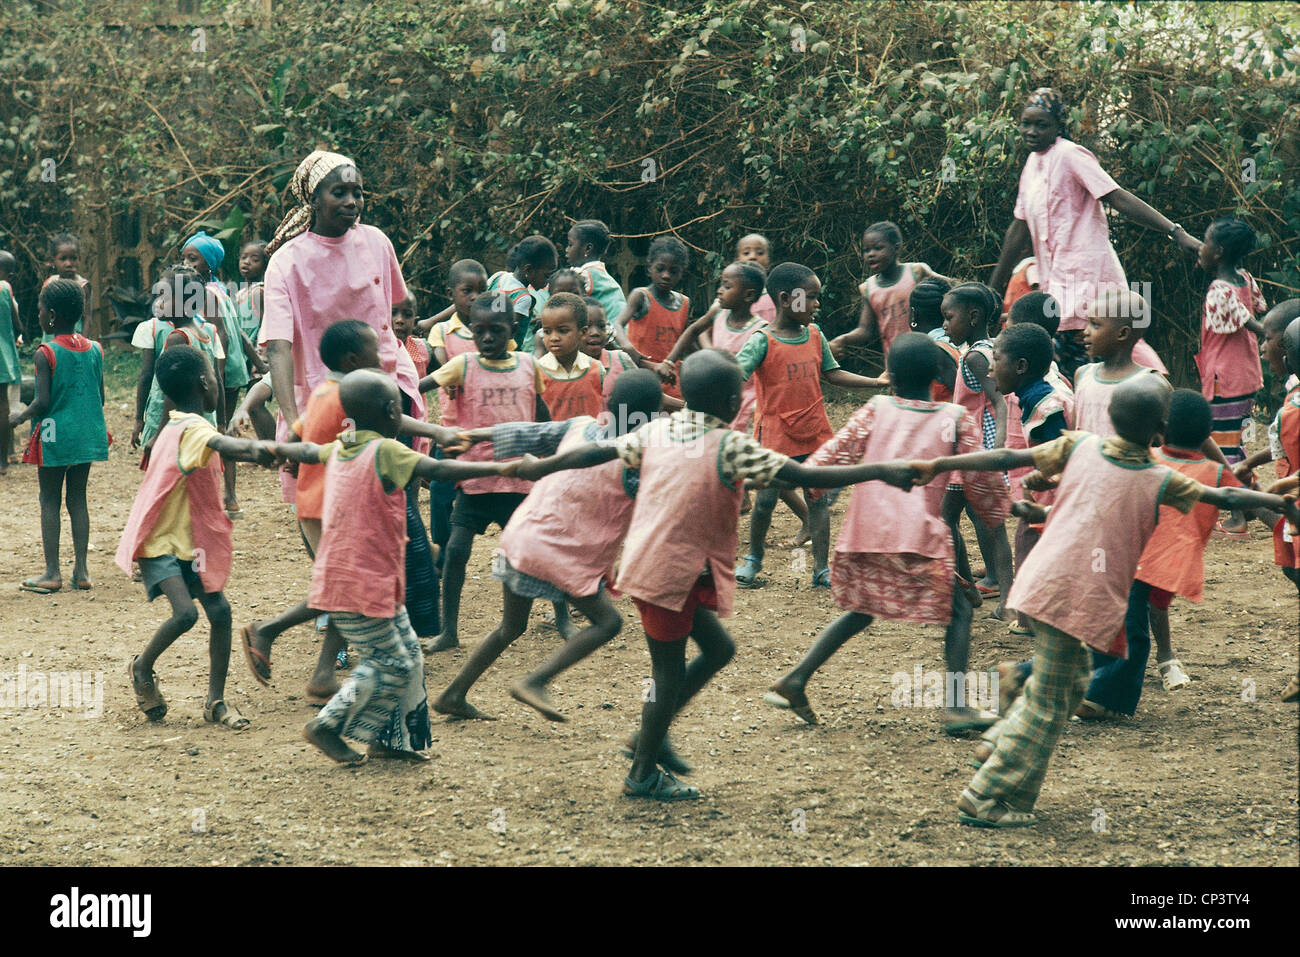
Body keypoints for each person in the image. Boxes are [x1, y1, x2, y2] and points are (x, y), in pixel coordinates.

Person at [511, 349, 917, 799]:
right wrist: (881, 470)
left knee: (719, 649)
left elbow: (596, 451)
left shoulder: (659, 430)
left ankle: (653, 735)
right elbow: (799, 472)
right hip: (669, 576)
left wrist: (543, 465)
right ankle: (642, 772)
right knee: (665, 675)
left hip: (664, 569)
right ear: (730, 402)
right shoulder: (730, 445)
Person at [909, 375, 1300, 827]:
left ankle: (999, 745)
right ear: (1159, 429)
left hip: (1043, 583)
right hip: (1078, 597)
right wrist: (1282, 498)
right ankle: (985, 795)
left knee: (1072, 680)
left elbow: (1008, 456)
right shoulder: (1160, 478)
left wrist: (940, 463)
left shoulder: (1081, 445)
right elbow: (1226, 495)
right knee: (1049, 704)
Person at [764, 334, 1009, 733]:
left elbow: (827, 460)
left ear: (890, 375)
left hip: (865, 532)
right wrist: (997, 512)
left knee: (862, 610)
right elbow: (980, 479)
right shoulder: (953, 418)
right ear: (937, 374)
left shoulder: (876, 409)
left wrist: (819, 491)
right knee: (960, 610)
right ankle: (957, 706)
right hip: (917, 536)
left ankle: (796, 679)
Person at [272, 370, 518, 764]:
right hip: (361, 584)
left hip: (365, 579)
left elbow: (307, 452)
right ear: (391, 411)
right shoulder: (385, 450)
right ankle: (327, 725)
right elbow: (437, 470)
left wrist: (273, 448)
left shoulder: (342, 446)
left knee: (410, 658)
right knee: (393, 661)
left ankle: (391, 741)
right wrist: (499, 469)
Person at [238, 320, 460, 700]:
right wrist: (436, 432)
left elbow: (300, 431)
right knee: (342, 589)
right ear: (355, 358)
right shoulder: (348, 396)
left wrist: (292, 458)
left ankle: (324, 675)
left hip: (328, 501)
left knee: (346, 587)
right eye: (377, 348)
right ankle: (269, 630)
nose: (383, 353)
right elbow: (387, 419)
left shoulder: (327, 391)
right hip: (329, 505)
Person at [431, 370, 664, 722]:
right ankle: (537, 681)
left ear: (606, 403)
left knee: (511, 627)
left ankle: (453, 693)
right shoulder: (638, 464)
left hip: (522, 535)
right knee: (608, 623)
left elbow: (527, 432)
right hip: (558, 552)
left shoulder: (579, 427)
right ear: (653, 419)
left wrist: (472, 435)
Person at [988, 87, 1201, 382]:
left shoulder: (1070, 155)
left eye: (1041, 124)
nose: (1032, 131)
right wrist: (993, 288)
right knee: (1065, 381)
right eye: (1026, 123)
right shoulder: (1032, 165)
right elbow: (1019, 228)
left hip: (1089, 285)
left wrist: (1176, 232)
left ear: (1058, 126)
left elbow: (1117, 197)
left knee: (1097, 376)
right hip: (1057, 293)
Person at [117, 345, 280, 730]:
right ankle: (142, 667)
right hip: (161, 545)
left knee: (220, 612)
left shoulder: (176, 425)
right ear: (205, 383)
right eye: (215, 378)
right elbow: (226, 446)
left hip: (191, 541)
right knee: (187, 614)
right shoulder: (192, 429)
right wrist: (270, 449)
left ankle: (215, 701)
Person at [260, 150, 427, 509]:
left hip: (386, 390)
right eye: (339, 192)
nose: (352, 201)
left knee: (393, 497)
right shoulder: (285, 262)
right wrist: (294, 423)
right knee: (324, 502)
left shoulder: (377, 243)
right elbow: (278, 347)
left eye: (358, 192)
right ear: (314, 199)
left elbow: (397, 302)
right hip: (322, 400)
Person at [1077, 391, 1244, 717]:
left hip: (1129, 557)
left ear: (1161, 429)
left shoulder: (1147, 458)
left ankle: (1100, 695)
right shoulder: (1215, 473)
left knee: (1127, 631)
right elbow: (1241, 501)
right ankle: (1104, 696)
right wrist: (1282, 515)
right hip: (1166, 565)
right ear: (1206, 435)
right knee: (1133, 632)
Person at [735, 262, 887, 589]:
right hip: (775, 436)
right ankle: (754, 558)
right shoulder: (762, 341)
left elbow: (832, 374)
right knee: (765, 501)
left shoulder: (815, 335)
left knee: (817, 500)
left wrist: (876, 382)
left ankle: (821, 568)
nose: (818, 304)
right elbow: (735, 374)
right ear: (787, 299)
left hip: (814, 432)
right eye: (812, 298)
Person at [419, 292, 548, 653]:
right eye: (480, 331)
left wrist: (553, 455)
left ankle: (556, 616)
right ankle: (449, 631)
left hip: (518, 480)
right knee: (456, 551)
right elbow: (420, 388)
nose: (487, 337)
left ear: (515, 328)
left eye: (497, 330)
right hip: (474, 480)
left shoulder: (529, 365)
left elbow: (542, 413)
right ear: (471, 330)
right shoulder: (463, 365)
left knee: (529, 553)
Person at [9, 279, 109, 594]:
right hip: (87, 432)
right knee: (77, 499)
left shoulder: (46, 352)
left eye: (39, 308)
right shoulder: (96, 349)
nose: (37, 314)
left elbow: (43, 401)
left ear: (51, 314)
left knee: (49, 499)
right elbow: (101, 396)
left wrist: (18, 417)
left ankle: (52, 572)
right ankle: (82, 570)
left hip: (54, 433)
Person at [989, 321, 1074, 638]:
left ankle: (1032, 618)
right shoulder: (1032, 397)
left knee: (1030, 547)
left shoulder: (1045, 407)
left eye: (997, 359)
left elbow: (1058, 457)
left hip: (1050, 502)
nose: (990, 367)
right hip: (1045, 499)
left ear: (1020, 366)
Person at [942, 282, 1016, 619]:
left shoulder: (974, 357)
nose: (944, 325)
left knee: (950, 519)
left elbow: (999, 403)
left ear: (972, 317)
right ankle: (988, 587)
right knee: (981, 521)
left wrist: (996, 451)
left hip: (976, 452)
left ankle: (979, 590)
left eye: (949, 317)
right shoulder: (986, 348)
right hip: (973, 450)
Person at [181, 230, 263, 518]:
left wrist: (215, 376)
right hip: (229, 369)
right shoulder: (221, 291)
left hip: (220, 371)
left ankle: (224, 496)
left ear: (210, 265)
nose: (188, 264)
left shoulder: (205, 294)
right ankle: (228, 497)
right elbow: (239, 330)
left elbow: (224, 336)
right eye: (184, 259)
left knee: (218, 429)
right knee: (222, 428)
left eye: (194, 259)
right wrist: (258, 363)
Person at [1194, 218, 1266, 536]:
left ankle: (1237, 516)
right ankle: (1249, 503)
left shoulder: (1219, 291)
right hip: (1246, 375)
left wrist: (1267, 333)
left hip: (1225, 378)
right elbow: (1258, 307)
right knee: (1235, 441)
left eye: (1205, 242)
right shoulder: (1245, 280)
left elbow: (1241, 320)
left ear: (1219, 252)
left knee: (1224, 447)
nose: (1201, 247)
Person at [131, 265, 225, 461]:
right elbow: (218, 381)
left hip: (176, 428)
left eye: (164, 297)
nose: (158, 303)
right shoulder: (208, 332)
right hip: (202, 426)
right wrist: (221, 424)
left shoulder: (178, 338)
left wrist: (158, 436)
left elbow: (172, 395)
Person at [830, 221, 954, 363]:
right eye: (866, 250)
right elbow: (865, 330)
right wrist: (842, 339)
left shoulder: (916, 272)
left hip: (930, 352)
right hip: (897, 360)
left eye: (878, 248)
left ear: (896, 248)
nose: (871, 254)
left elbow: (952, 288)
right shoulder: (868, 288)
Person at [611, 235, 691, 395]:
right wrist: (627, 347)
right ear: (649, 268)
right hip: (640, 375)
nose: (666, 275)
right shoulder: (641, 296)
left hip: (669, 379)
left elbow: (686, 339)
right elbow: (617, 324)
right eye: (660, 269)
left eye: (673, 271)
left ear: (681, 273)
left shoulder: (684, 303)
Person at [537, 292, 605, 422]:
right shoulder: (538, 372)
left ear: (583, 332)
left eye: (563, 331)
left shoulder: (596, 370)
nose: (554, 338)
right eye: (547, 331)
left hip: (588, 440)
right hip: (553, 442)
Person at [232, 240, 275, 440]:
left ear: (265, 264)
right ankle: (268, 448)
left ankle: (274, 448)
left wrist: (264, 358)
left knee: (255, 404)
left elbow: (270, 322)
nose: (247, 262)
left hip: (260, 356)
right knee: (253, 404)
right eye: (243, 257)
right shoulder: (241, 292)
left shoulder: (261, 291)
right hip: (246, 355)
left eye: (254, 259)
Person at [490, 235, 559, 348]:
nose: (548, 282)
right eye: (546, 275)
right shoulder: (523, 298)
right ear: (528, 269)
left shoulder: (498, 277)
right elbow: (509, 335)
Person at [564, 219, 627, 323]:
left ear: (588, 248)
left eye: (570, 244)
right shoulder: (600, 275)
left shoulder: (584, 276)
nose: (566, 249)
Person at [580, 296, 636, 404]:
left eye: (601, 326)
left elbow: (646, 392)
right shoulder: (566, 369)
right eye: (587, 327)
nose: (595, 332)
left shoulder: (620, 360)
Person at [42, 232, 92, 339]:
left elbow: (87, 318)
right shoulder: (50, 283)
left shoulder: (83, 286)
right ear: (53, 261)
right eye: (63, 259)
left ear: (79, 259)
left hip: (74, 338)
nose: (69, 264)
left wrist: (83, 340)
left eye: (73, 258)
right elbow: (44, 313)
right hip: (51, 337)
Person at [0, 249, 21, 471]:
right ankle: (3, 460)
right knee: (3, 405)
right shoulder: (5, 288)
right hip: (3, 354)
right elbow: (17, 324)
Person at [734, 233, 777, 321]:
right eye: (746, 253)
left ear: (769, 261)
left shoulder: (777, 295)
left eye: (760, 253)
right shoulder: (731, 295)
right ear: (737, 260)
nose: (752, 257)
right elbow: (708, 327)